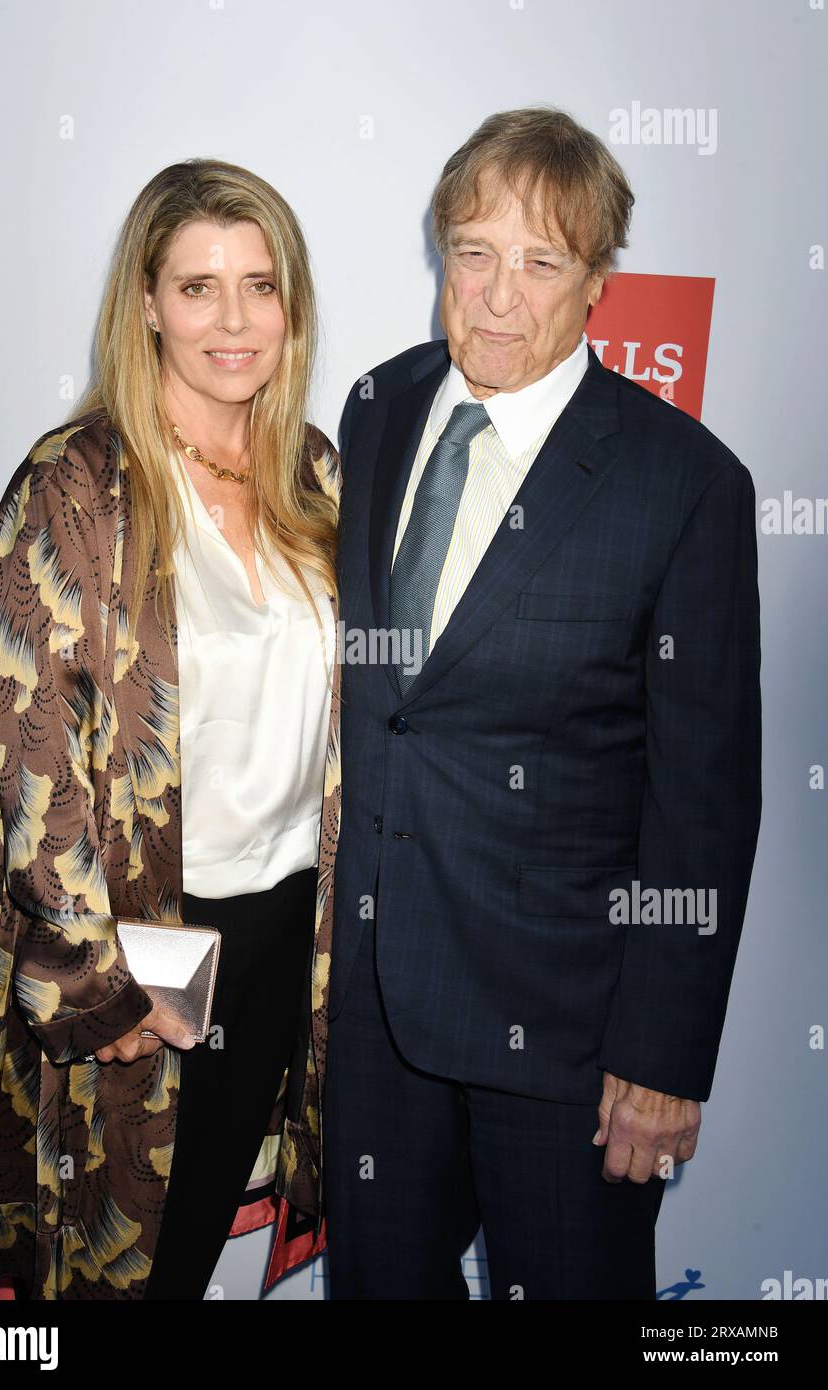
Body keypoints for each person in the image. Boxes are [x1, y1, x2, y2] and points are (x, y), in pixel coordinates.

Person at [323, 106, 761, 1300]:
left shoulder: (684, 486)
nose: (498, 296)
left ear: (599, 284)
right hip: (372, 1022)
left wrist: (663, 1057)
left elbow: (705, 800)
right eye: (474, 252)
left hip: (565, 1042)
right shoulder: (376, 409)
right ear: (440, 256)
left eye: (541, 261)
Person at [0, 158, 341, 1300]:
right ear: (149, 303)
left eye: (260, 286)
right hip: (142, 951)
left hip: (282, 940)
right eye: (198, 285)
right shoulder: (77, 486)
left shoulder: (315, 477)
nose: (233, 318)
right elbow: (34, 760)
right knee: (104, 1273)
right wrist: (95, 981)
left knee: (198, 1238)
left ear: (292, 306)